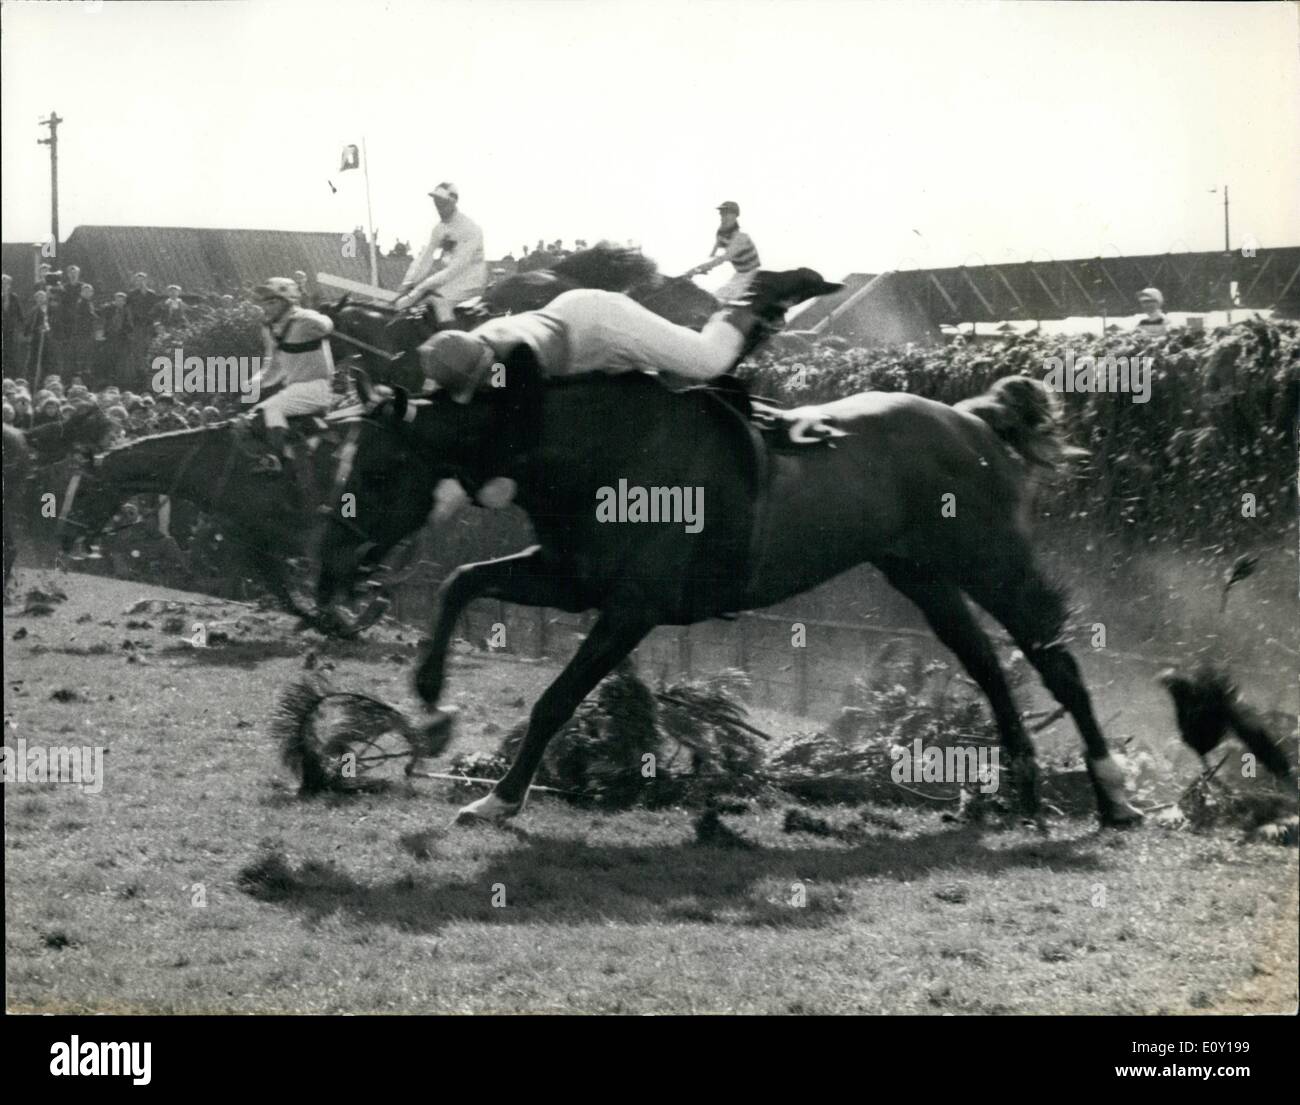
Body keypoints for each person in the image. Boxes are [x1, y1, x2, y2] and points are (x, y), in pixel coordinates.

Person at [418, 263, 841, 402]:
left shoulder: (510, 360)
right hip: (576, 322)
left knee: (707, 361)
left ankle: (754, 296)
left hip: (599, 327)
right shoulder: (467, 350)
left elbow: (516, 405)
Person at [248, 277, 335, 476]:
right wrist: (256, 382)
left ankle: (274, 459)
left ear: (288, 302)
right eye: (264, 304)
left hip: (316, 387)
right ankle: (296, 456)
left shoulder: (304, 320)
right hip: (296, 389)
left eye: (272, 303)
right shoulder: (271, 329)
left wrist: (312, 318)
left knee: (271, 408)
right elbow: (274, 367)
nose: (266, 309)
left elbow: (326, 324)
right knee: (253, 417)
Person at [394, 182, 487, 325]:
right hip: (450, 280)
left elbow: (456, 268)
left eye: (442, 201)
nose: (438, 205)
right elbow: (425, 258)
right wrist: (409, 282)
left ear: (454, 201)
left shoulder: (470, 228)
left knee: (439, 302)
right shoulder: (439, 229)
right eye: (436, 201)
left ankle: (452, 343)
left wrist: (421, 287)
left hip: (470, 281)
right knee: (405, 304)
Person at [684, 200, 761, 301]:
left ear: (734, 216)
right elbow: (713, 255)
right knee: (714, 295)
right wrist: (702, 268)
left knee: (721, 299)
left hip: (751, 276)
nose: (722, 217)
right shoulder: (721, 232)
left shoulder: (741, 237)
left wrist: (696, 269)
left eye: (726, 213)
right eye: (721, 213)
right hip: (738, 272)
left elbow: (722, 259)